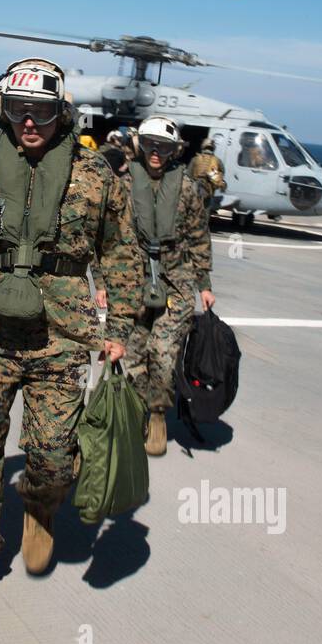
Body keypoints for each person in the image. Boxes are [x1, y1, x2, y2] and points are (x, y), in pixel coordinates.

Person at [0, 57, 143, 612]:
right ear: (3, 109)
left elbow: (121, 252)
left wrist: (119, 328)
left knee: (52, 454)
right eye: (18, 110)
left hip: (63, 334)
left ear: (60, 112)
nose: (29, 122)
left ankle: (41, 508)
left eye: (41, 112)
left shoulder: (95, 176)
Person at [123, 116, 216, 457]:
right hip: (131, 281)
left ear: (174, 150)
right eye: (150, 145)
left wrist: (204, 283)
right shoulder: (122, 185)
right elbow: (107, 235)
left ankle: (158, 413)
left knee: (162, 354)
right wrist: (103, 282)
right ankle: (134, 413)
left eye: (162, 147)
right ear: (140, 146)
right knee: (131, 353)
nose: (155, 153)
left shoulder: (188, 189)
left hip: (176, 280)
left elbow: (198, 236)